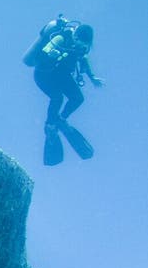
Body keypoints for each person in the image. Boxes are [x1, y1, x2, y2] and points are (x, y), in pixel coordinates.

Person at [26, 17, 104, 165]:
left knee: (78, 98)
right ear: (75, 36)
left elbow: (84, 59)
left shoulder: (82, 47)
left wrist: (92, 77)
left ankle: (61, 119)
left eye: (84, 46)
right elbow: (43, 54)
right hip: (44, 75)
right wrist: (51, 54)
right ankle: (50, 126)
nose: (81, 48)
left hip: (61, 75)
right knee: (57, 98)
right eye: (79, 43)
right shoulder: (61, 39)